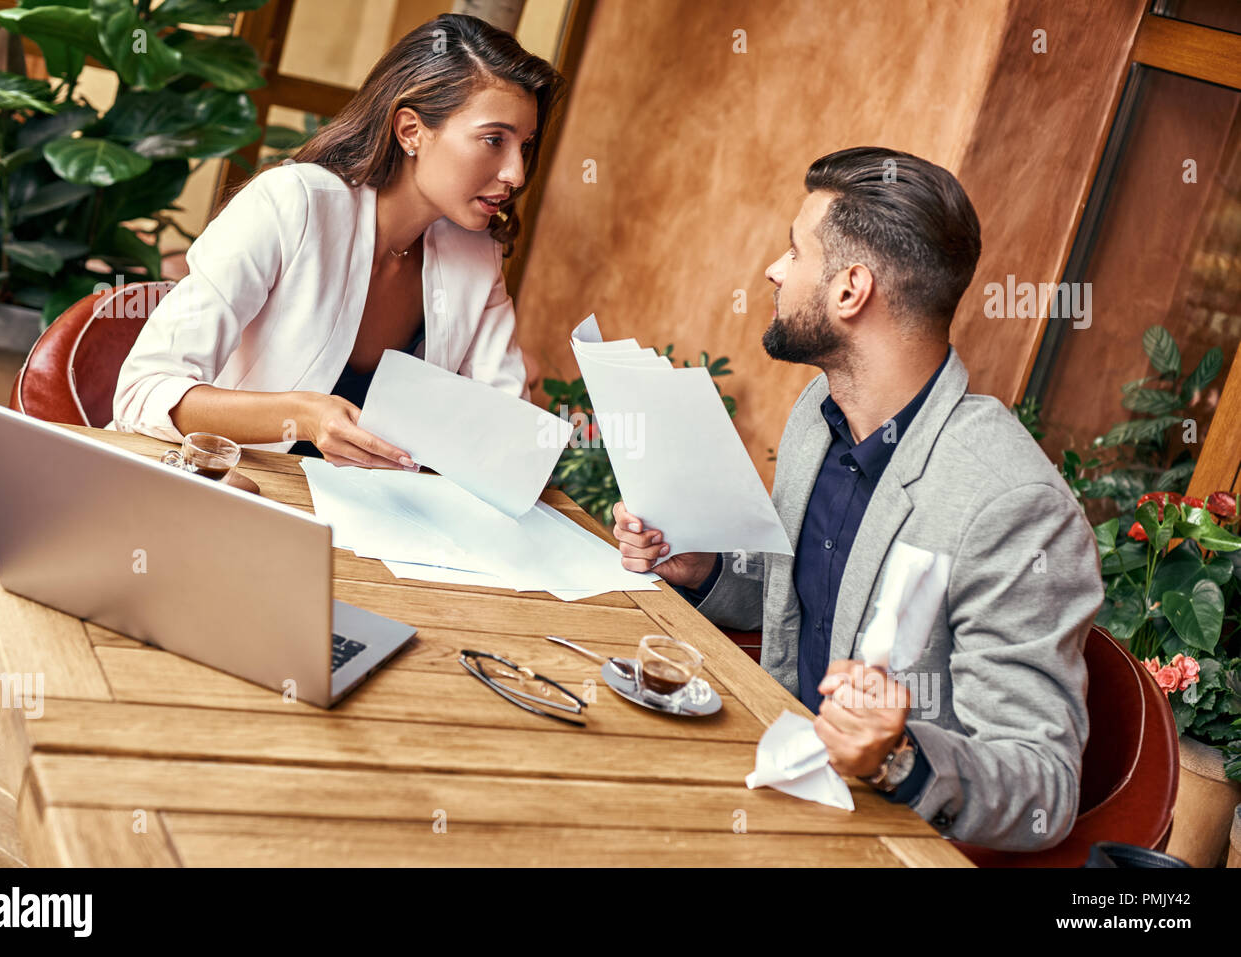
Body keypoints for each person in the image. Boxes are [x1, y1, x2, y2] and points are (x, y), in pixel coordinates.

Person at [611, 146, 1104, 852]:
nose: (775, 271)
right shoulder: (821, 410)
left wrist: (897, 756)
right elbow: (811, 605)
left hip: (874, 839)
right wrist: (705, 568)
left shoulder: (1015, 505)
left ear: (850, 289)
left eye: (793, 251)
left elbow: (1043, 786)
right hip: (766, 786)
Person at [109, 13, 563, 469]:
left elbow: (508, 444)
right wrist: (303, 415)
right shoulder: (291, 204)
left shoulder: (476, 255)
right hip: (223, 492)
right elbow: (143, 393)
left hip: (363, 526)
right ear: (411, 131)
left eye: (524, 145)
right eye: (493, 140)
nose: (516, 173)